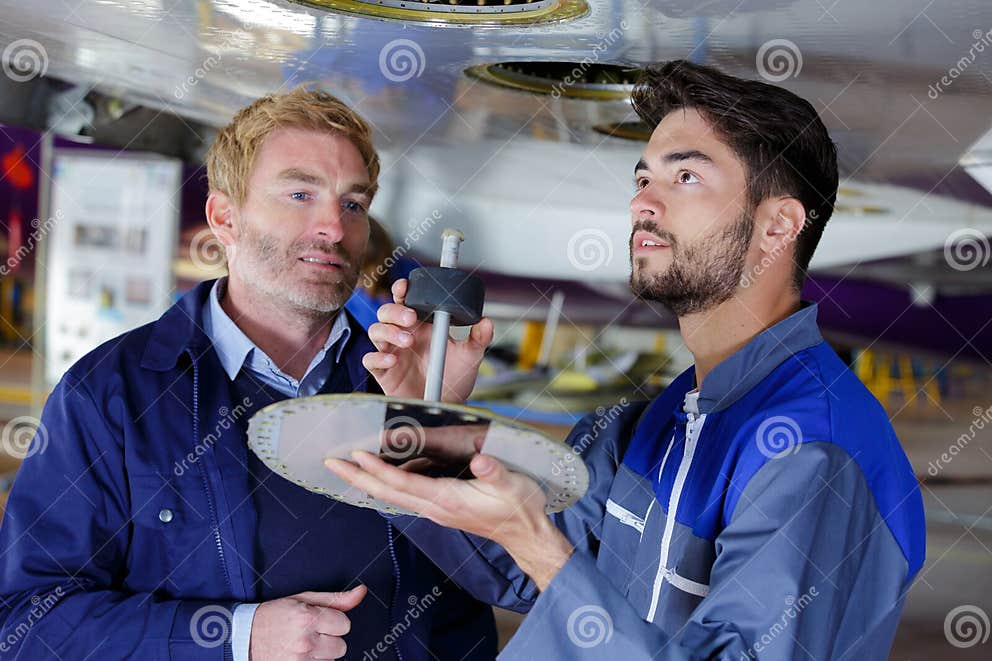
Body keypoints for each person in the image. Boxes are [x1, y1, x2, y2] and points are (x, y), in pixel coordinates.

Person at [327, 60, 927, 660]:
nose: (643, 202)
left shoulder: (813, 453)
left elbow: (541, 552)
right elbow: (526, 567)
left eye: (685, 176)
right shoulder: (657, 422)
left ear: (777, 227)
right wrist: (430, 413)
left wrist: (533, 540)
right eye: (642, 179)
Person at [0, 87, 496, 660]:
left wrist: (436, 426)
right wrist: (236, 636)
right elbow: (27, 623)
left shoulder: (397, 384)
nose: (333, 227)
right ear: (224, 217)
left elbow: (475, 600)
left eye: (353, 203)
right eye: (300, 193)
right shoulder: (111, 393)